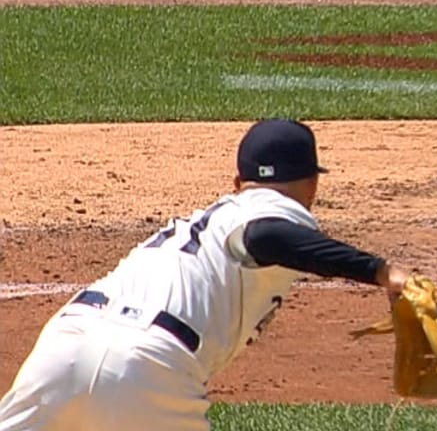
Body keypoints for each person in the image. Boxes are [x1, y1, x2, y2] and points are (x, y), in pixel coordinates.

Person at [0, 119, 414, 431]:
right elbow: (266, 236)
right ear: (312, 185)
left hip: (64, 346)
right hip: (147, 366)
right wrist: (382, 271)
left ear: (237, 182)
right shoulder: (276, 210)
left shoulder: (218, 213)